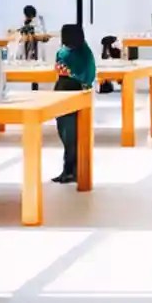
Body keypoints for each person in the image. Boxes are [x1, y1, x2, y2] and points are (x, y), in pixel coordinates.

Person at [53, 24, 96, 184]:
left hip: (75, 93)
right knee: (64, 133)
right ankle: (67, 170)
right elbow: (58, 68)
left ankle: (73, 171)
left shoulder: (85, 53)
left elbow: (88, 75)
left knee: (71, 135)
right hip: (61, 92)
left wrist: (70, 73)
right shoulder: (62, 51)